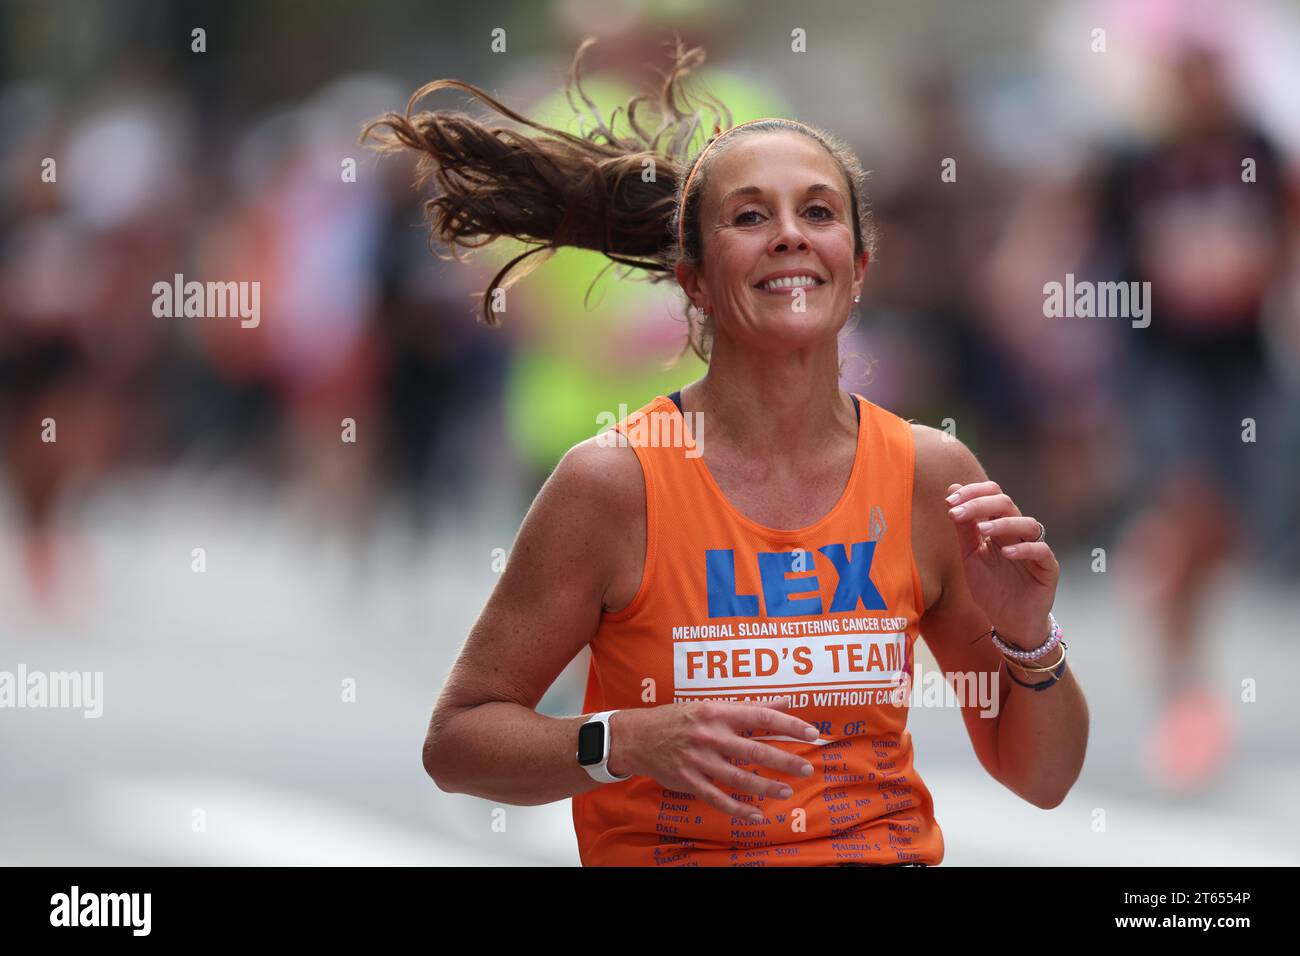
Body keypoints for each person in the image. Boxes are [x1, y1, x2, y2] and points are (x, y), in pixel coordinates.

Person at [363, 36, 1089, 866]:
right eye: (750, 217)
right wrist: (625, 740)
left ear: (858, 268)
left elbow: (1044, 778)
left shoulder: (932, 477)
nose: (789, 235)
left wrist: (1029, 635)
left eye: (818, 212)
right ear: (694, 280)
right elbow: (456, 743)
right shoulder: (615, 484)